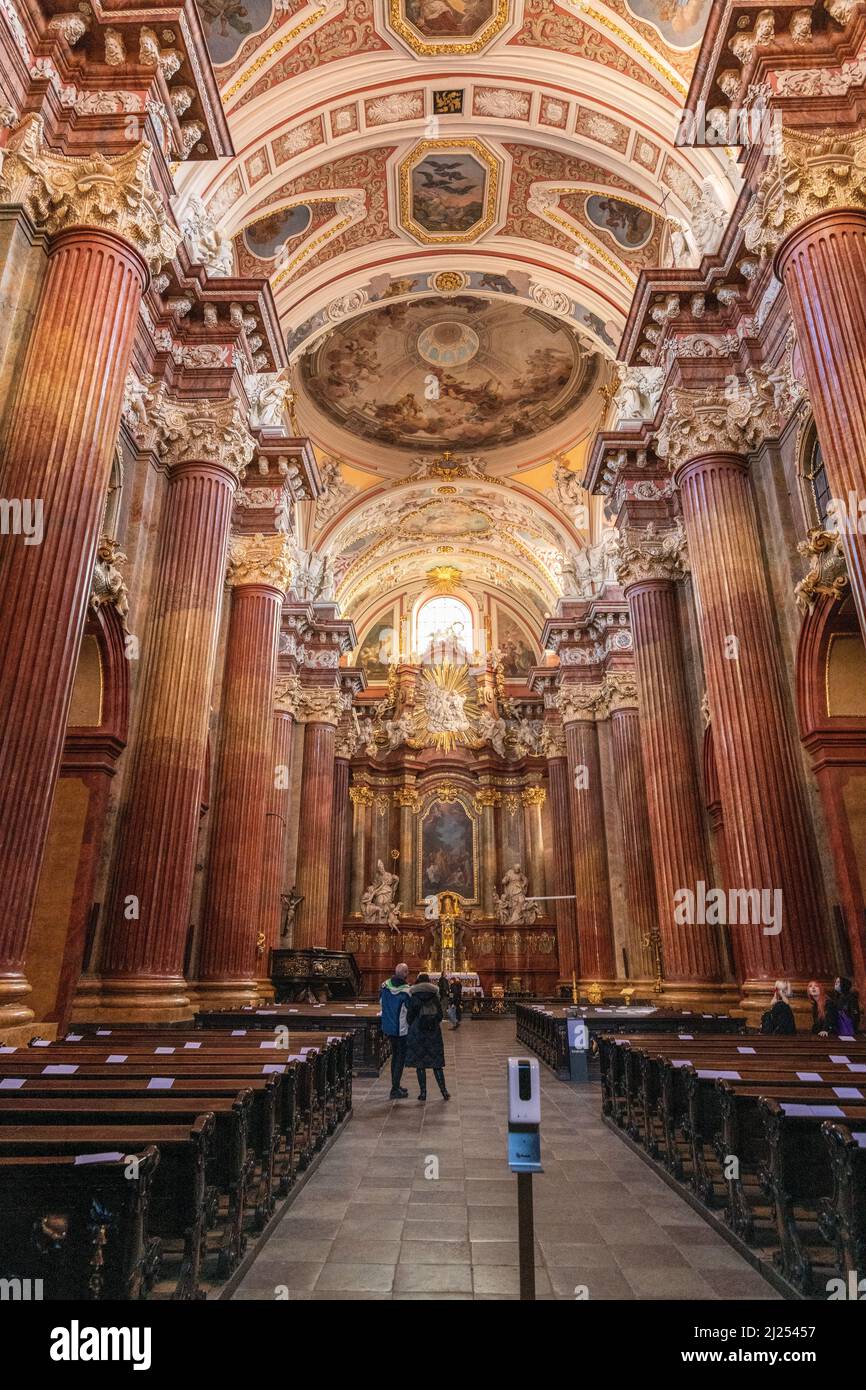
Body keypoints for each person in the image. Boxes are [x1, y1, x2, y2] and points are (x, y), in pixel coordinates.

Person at [405, 972, 449, 1102]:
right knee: (437, 1064)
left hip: (418, 1033)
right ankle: (444, 1091)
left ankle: (423, 1093)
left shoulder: (414, 996)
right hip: (433, 1033)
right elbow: (440, 1015)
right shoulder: (434, 996)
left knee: (420, 1064)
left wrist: (414, 1024)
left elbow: (409, 1017)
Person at [379, 962, 411, 1100]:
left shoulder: (385, 986)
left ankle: (396, 1085)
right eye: (407, 972)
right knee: (400, 1058)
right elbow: (410, 1010)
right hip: (401, 1029)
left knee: (395, 1057)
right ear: (404, 974)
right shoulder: (406, 991)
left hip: (388, 1026)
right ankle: (394, 1088)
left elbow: (381, 1003)